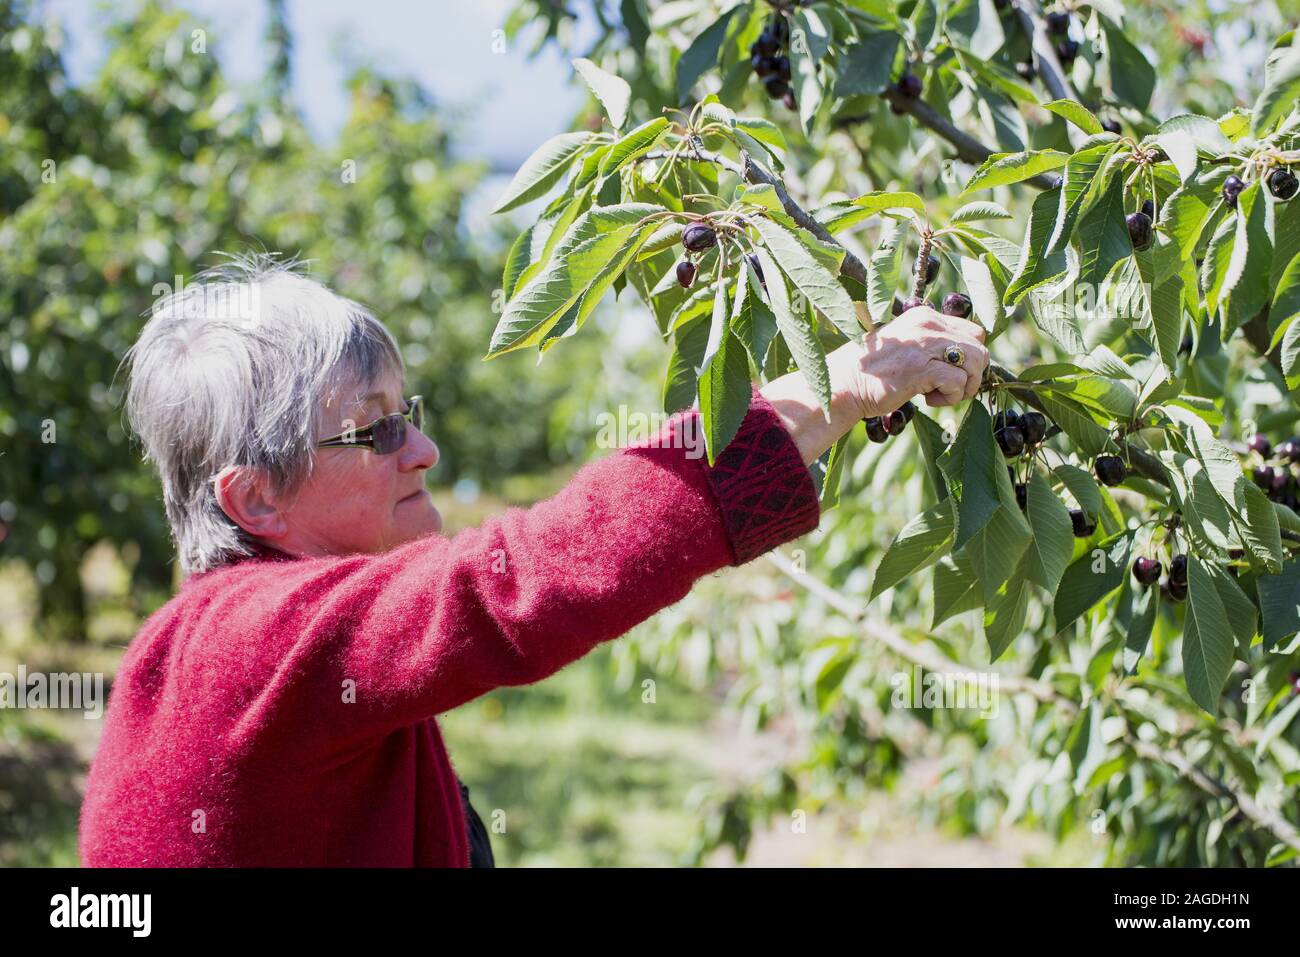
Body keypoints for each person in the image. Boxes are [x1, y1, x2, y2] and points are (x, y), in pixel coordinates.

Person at [78, 253, 987, 866]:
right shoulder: (245, 646)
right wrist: (831, 396)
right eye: (377, 426)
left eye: (411, 409)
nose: (423, 449)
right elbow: (517, 580)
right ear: (256, 496)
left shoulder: (262, 637)